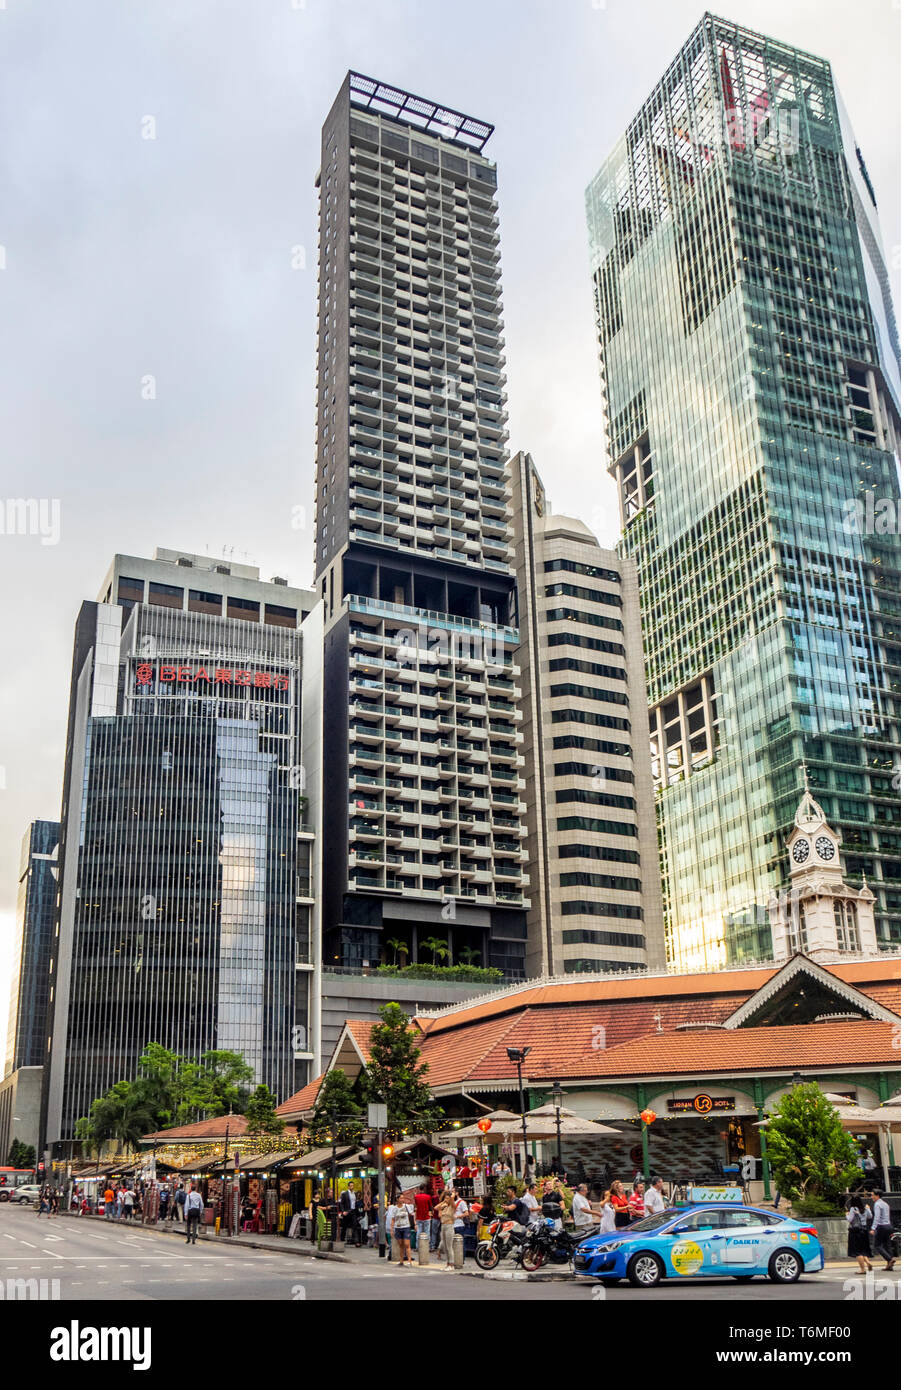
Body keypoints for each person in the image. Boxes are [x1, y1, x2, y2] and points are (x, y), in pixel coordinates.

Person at [846, 1195, 873, 1274]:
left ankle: (862, 1269)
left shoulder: (852, 1209)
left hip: (855, 1231)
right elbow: (870, 1216)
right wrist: (868, 1209)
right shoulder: (864, 1208)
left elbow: (850, 1219)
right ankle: (868, 1262)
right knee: (863, 1249)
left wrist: (847, 1214)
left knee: (857, 1251)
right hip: (864, 1230)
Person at [871, 1191, 896, 1271]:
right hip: (888, 1226)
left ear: (877, 1195)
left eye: (872, 1195)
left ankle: (889, 1259)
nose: (871, 1197)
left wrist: (873, 1228)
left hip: (881, 1226)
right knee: (887, 1245)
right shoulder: (885, 1204)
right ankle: (890, 1265)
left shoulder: (877, 1204)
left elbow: (877, 1217)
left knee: (877, 1245)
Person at [436, 1188, 457, 1269]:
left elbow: (452, 1200)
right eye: (445, 1198)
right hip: (443, 1226)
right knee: (445, 1246)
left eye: (447, 1198)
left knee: (449, 1246)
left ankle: (451, 1264)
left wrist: (452, 1194)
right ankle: (448, 1263)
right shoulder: (444, 1206)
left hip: (449, 1226)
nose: (446, 1200)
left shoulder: (452, 1207)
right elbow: (436, 1208)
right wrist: (443, 1202)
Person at [393, 1196, 413, 1267]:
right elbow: (393, 1219)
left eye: (403, 1198)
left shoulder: (406, 1206)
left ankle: (409, 1261)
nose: (402, 1200)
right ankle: (401, 1260)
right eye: (400, 1198)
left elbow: (412, 1214)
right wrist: (392, 1229)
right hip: (398, 1227)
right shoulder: (394, 1208)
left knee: (407, 1244)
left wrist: (415, 1223)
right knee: (401, 1245)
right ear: (397, 1199)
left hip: (406, 1227)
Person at [413, 1184, 433, 1254]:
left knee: (418, 1232)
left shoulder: (416, 1197)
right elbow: (430, 1206)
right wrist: (431, 1213)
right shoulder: (428, 1197)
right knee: (427, 1232)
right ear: (424, 1189)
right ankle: (427, 1246)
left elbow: (415, 1206)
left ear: (419, 1189)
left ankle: (418, 1247)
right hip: (426, 1217)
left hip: (419, 1217)